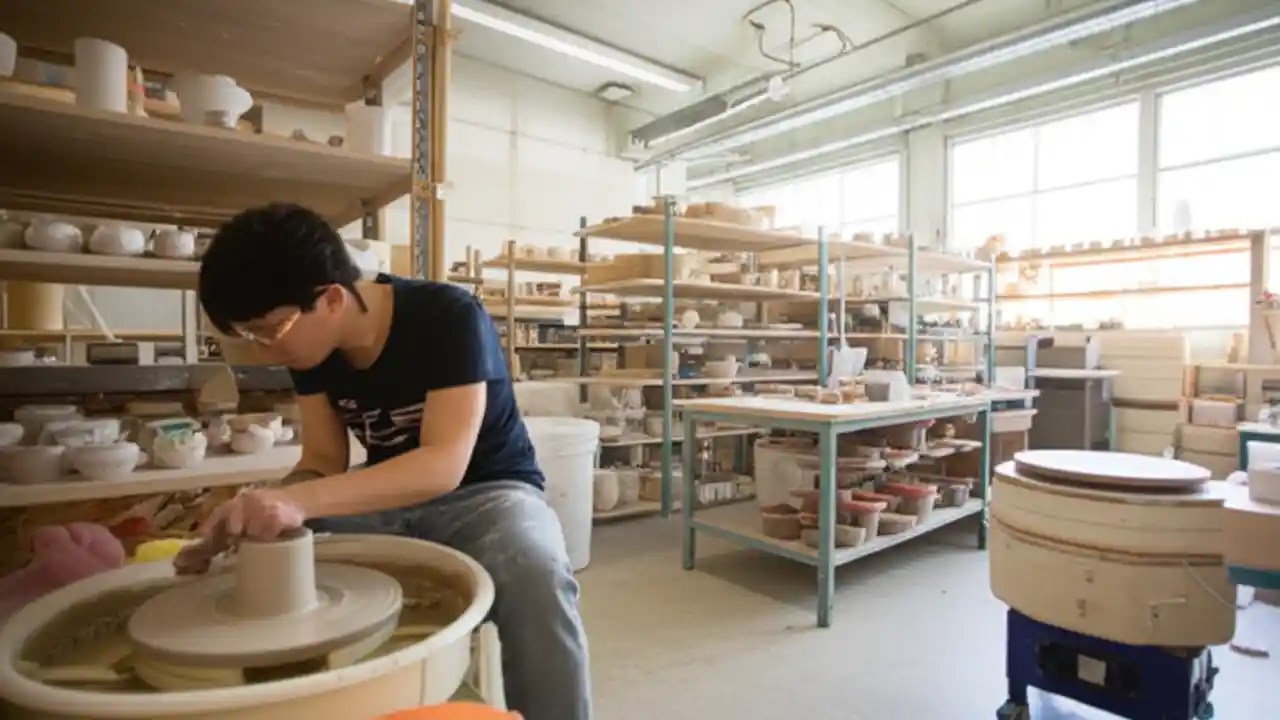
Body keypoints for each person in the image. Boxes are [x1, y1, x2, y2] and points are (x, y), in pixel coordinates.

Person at [191, 203, 591, 720]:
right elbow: (323, 459)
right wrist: (261, 511)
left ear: (332, 297)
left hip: (488, 490)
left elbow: (441, 465)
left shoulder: (447, 316)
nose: (266, 351)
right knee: (271, 555)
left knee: (533, 566)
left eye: (270, 330)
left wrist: (297, 499)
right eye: (250, 336)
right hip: (386, 496)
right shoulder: (310, 350)